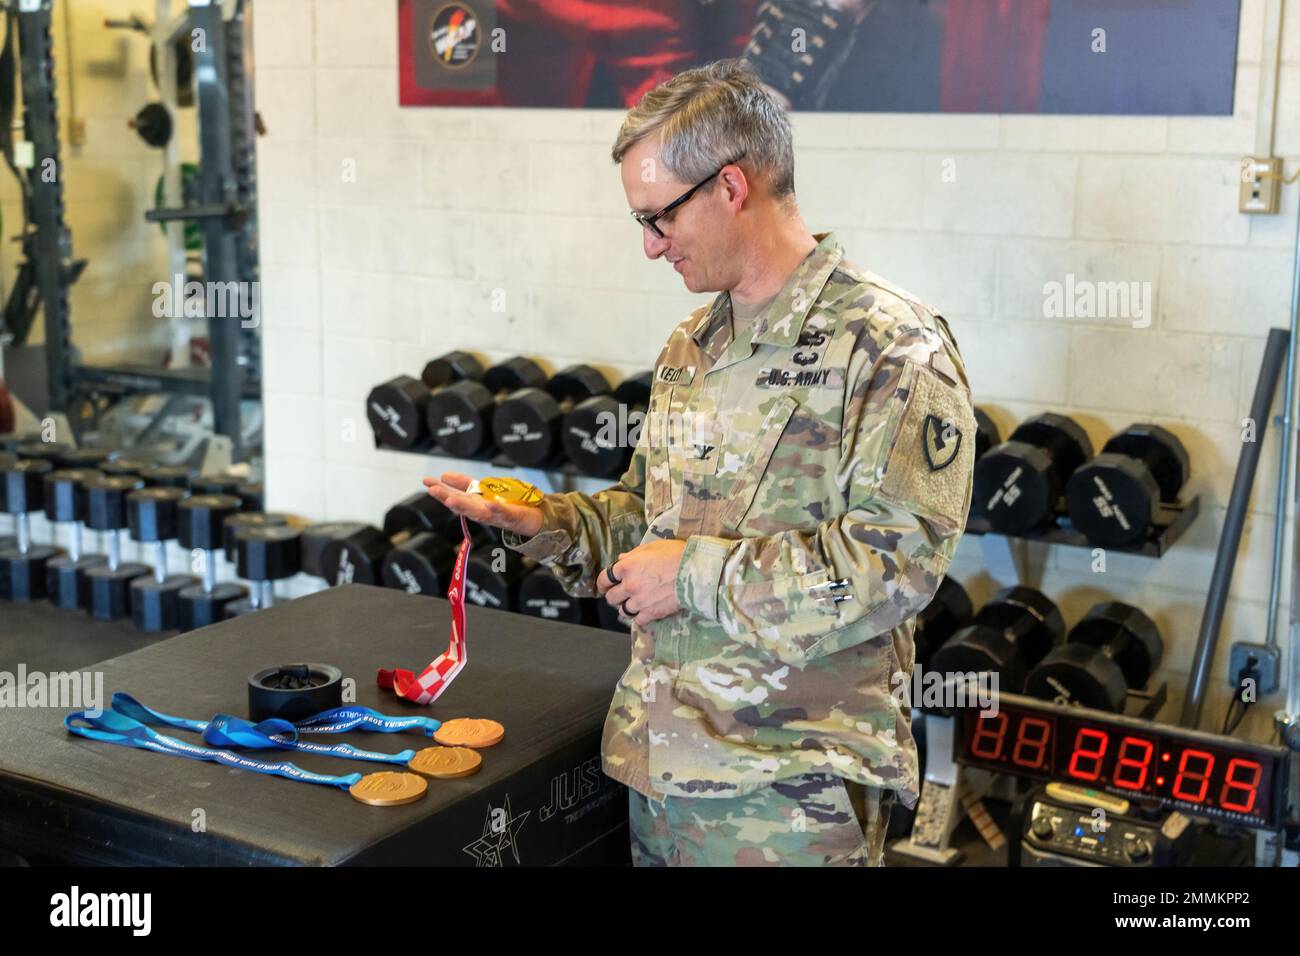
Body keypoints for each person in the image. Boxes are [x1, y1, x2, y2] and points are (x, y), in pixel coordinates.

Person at [425, 58, 976, 866]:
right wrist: (543, 520)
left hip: (794, 797)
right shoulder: (695, 343)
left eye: (660, 218)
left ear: (730, 186)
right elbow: (648, 527)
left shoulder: (892, 346)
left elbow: (895, 569)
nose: (650, 248)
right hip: (665, 771)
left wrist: (688, 576)